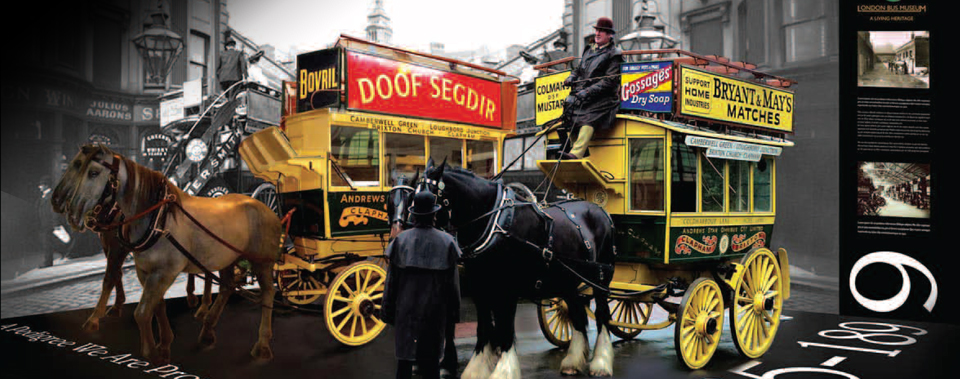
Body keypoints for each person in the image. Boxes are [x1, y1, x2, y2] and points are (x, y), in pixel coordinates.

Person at [381, 190, 462, 379]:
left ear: (413, 214)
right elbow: (453, 287)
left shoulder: (400, 241)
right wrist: (453, 315)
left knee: (404, 366)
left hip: (405, 314)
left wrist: (387, 312)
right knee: (431, 367)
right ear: (434, 215)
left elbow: (390, 283)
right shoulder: (447, 243)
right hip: (434, 316)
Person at [561, 17, 623, 159]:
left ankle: (577, 153)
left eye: (601, 31)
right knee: (568, 112)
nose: (597, 34)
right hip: (584, 95)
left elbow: (610, 81)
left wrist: (588, 91)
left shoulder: (614, 54)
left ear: (609, 35)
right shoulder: (589, 51)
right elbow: (578, 69)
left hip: (603, 99)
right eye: (597, 30)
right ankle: (576, 147)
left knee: (588, 117)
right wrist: (571, 77)